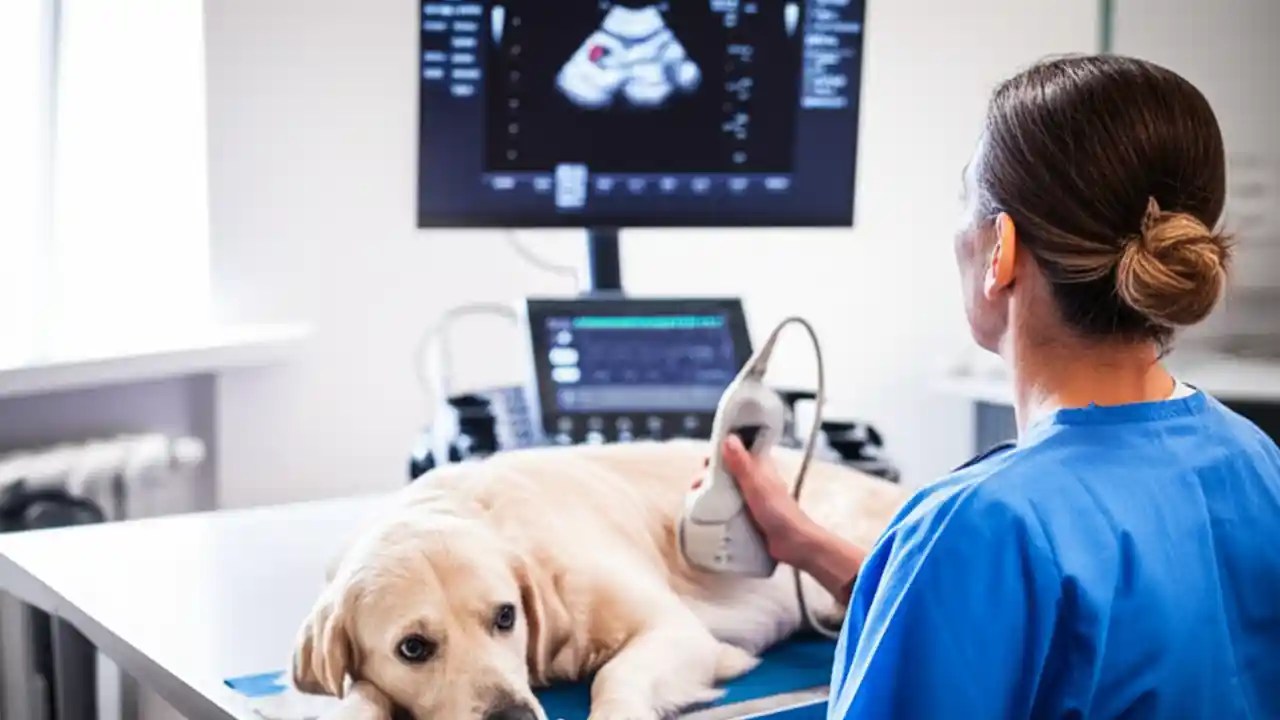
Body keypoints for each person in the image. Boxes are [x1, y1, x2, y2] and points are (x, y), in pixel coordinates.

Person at [721, 54, 1280, 718]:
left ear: (1000, 251)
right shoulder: (1253, 459)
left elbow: (993, 581)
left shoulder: (979, 524)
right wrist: (806, 542)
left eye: (966, 203)